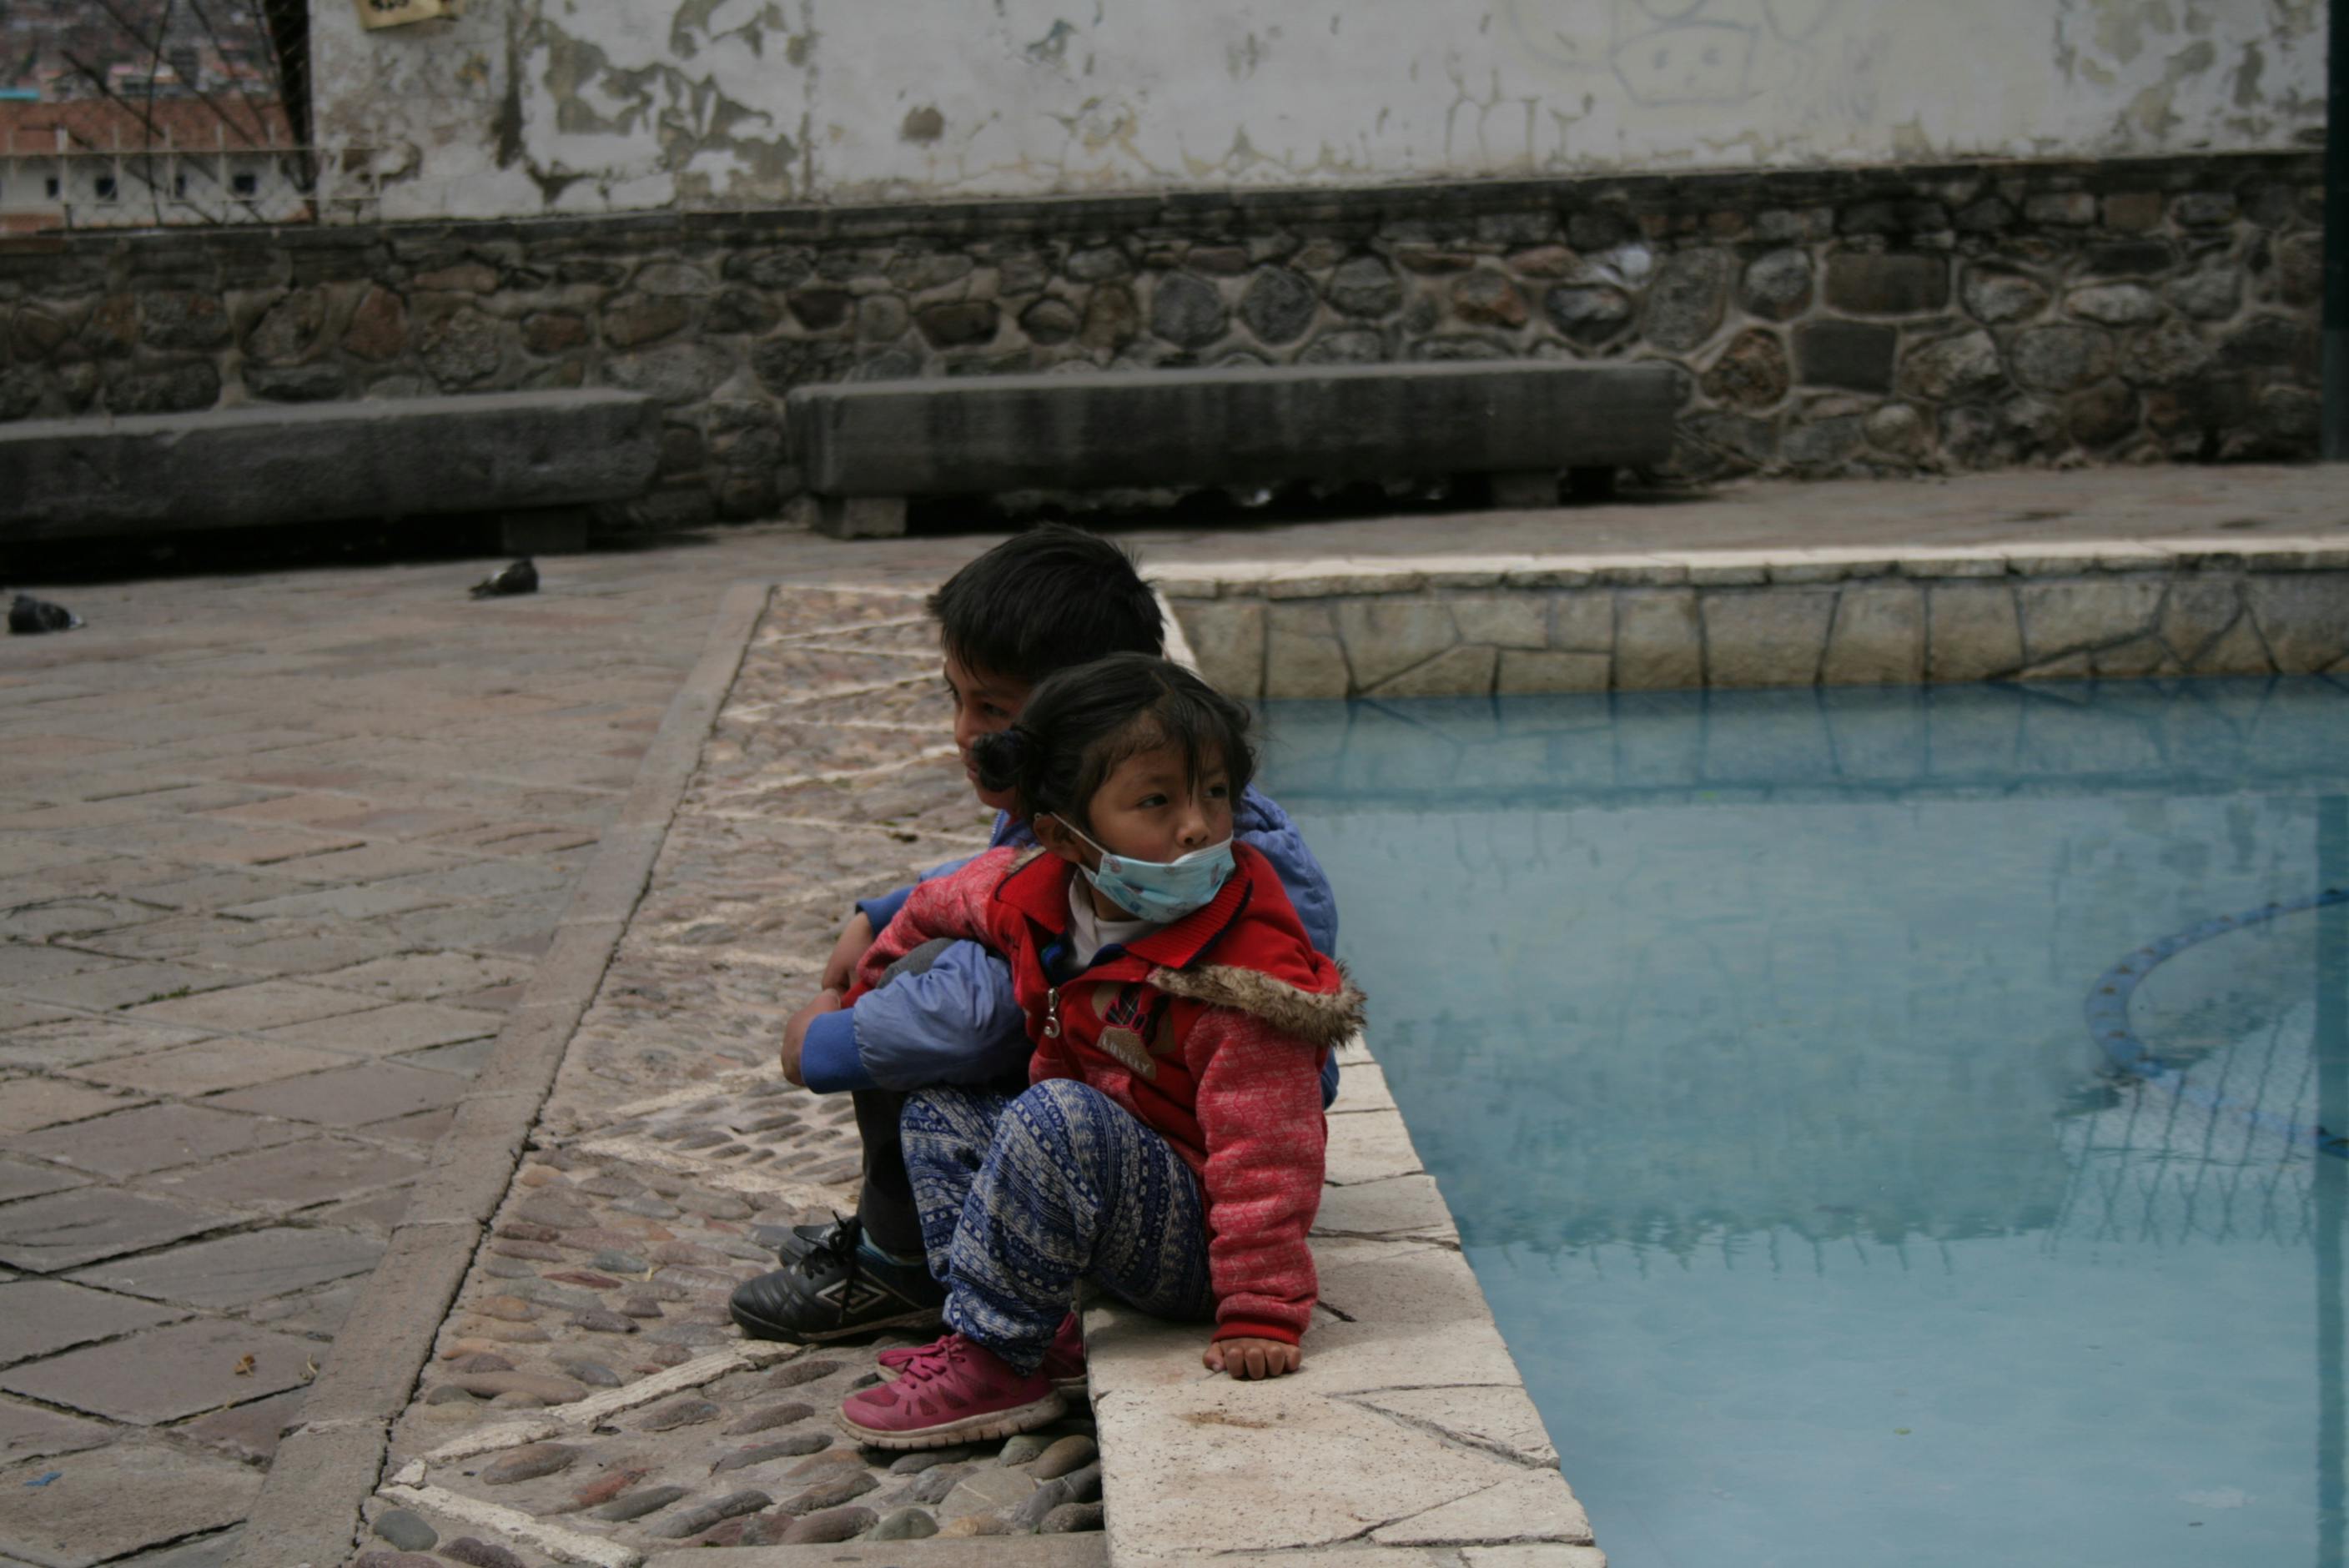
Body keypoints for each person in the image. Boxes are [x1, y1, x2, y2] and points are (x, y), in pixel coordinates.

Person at [729, 525, 1339, 1345]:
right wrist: (881, 913)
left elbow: (980, 1016)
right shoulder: (1090, 805)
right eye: (955, 699)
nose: (962, 732)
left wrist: (825, 1041)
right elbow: (992, 880)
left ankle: (901, 1267)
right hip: (1123, 1107)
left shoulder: (1197, 863)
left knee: (916, 994)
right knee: (926, 1017)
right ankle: (936, 1254)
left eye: (991, 709)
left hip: (1186, 1159)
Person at [831, 654, 1360, 1447]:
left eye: (1216, 793)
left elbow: (1270, 1154)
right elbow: (947, 900)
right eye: (1157, 800)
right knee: (941, 1111)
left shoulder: (1242, 975)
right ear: (1062, 835)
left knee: (1057, 1113)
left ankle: (995, 1358)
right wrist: (867, 976)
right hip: (1105, 1200)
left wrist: (1262, 1311)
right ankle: (1022, 1331)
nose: (1197, 825)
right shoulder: (1042, 896)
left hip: (1198, 1245)